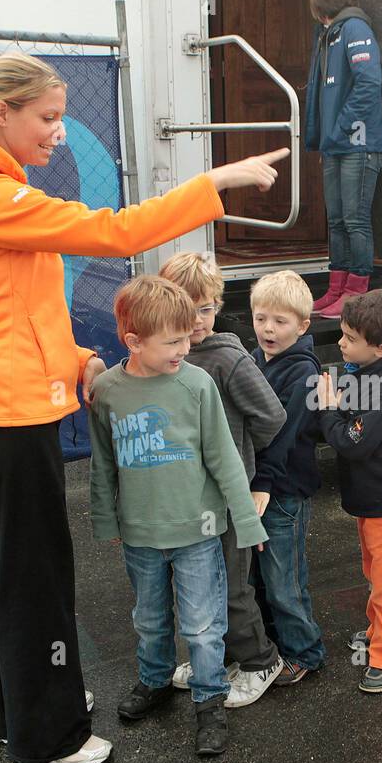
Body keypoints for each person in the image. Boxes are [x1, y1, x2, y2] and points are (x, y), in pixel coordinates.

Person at [0, 51, 286, 763]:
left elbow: (18, 316)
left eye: (61, 117)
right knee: (33, 582)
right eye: (47, 117)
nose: (57, 132)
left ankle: (24, 717)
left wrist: (81, 364)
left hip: (4, 412)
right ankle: (51, 734)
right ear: (0, 114)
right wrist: (211, 183)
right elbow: (116, 232)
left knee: (17, 575)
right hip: (5, 419)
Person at [89, 278, 266, 757]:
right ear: (133, 341)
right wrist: (105, 518)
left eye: (187, 338)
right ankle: (155, 680)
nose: (185, 348)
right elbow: (103, 461)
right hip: (140, 535)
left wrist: (247, 522)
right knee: (148, 618)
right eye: (173, 341)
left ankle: (210, 701)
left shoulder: (197, 383)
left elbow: (224, 457)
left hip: (198, 533)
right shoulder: (107, 392)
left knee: (204, 625)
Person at [158, 252, 287, 707]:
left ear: (217, 305)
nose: (196, 320)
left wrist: (244, 463)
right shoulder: (167, 355)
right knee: (196, 584)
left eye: (206, 308)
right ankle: (213, 657)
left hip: (229, 496)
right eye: (185, 307)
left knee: (230, 586)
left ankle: (259, 661)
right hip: (188, 496)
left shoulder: (227, 358)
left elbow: (271, 416)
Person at [316, 289, 382, 692]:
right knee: (375, 574)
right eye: (342, 334)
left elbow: (352, 441)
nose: (340, 343)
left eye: (349, 338)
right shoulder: (365, 374)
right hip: (370, 500)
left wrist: (328, 406)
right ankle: (380, 631)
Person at [248, 271, 328, 685]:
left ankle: (306, 652)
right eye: (261, 318)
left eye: (280, 321)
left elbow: (284, 433)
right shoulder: (258, 359)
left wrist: (262, 481)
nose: (267, 329)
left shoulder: (303, 373)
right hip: (259, 488)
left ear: (302, 326)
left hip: (283, 492)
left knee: (284, 579)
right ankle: (275, 645)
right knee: (258, 577)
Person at [303, 0, 382, 319]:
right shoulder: (329, 33)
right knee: (336, 219)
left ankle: (355, 295)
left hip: (359, 143)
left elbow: (369, 84)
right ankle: (336, 288)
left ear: (319, 3)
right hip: (337, 144)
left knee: (355, 219)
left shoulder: (355, 29)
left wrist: (338, 127)